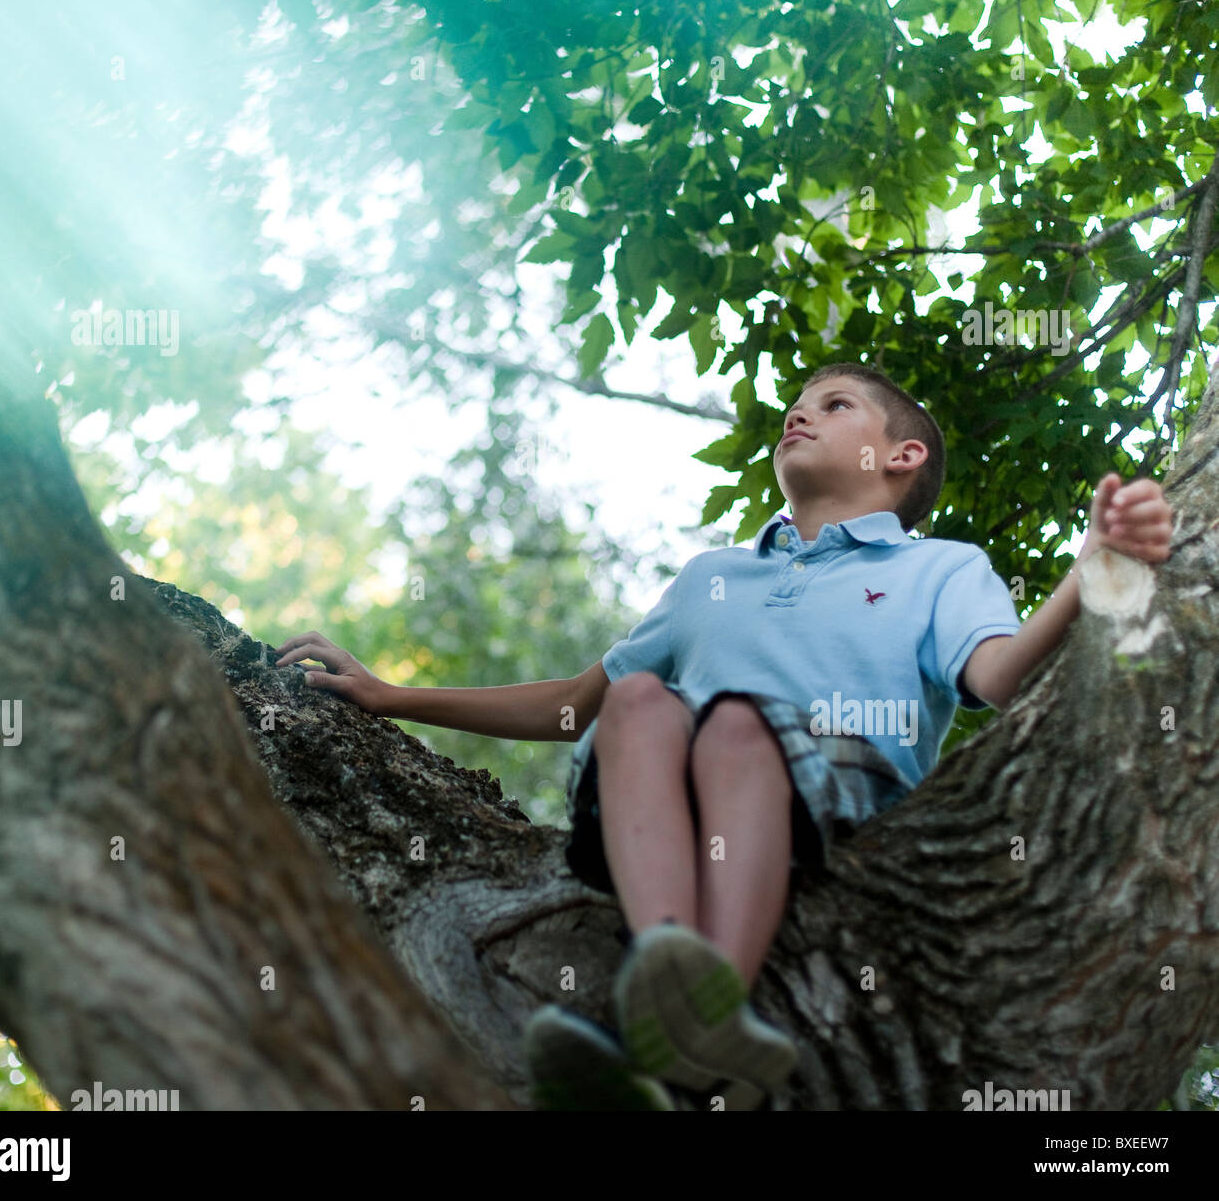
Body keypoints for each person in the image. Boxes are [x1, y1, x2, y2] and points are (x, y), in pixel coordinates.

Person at [277, 361, 1174, 1111]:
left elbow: (1000, 677)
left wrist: (1093, 566)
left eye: (834, 405)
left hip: (840, 800)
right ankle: (671, 990)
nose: (799, 413)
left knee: (737, 721)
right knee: (637, 706)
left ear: (902, 457)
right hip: (674, 804)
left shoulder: (939, 567)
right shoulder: (712, 575)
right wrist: (393, 696)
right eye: (798, 403)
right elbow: (572, 708)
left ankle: (715, 1002)